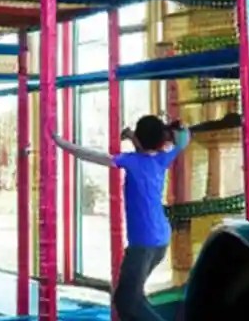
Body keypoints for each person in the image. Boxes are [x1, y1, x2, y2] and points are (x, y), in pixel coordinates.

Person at [52, 115, 190, 321]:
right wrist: (160, 131)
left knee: (126, 301)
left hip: (143, 244)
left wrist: (60, 143)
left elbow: (90, 155)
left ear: (140, 140)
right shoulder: (163, 159)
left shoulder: (131, 161)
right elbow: (184, 137)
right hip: (160, 240)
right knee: (133, 298)